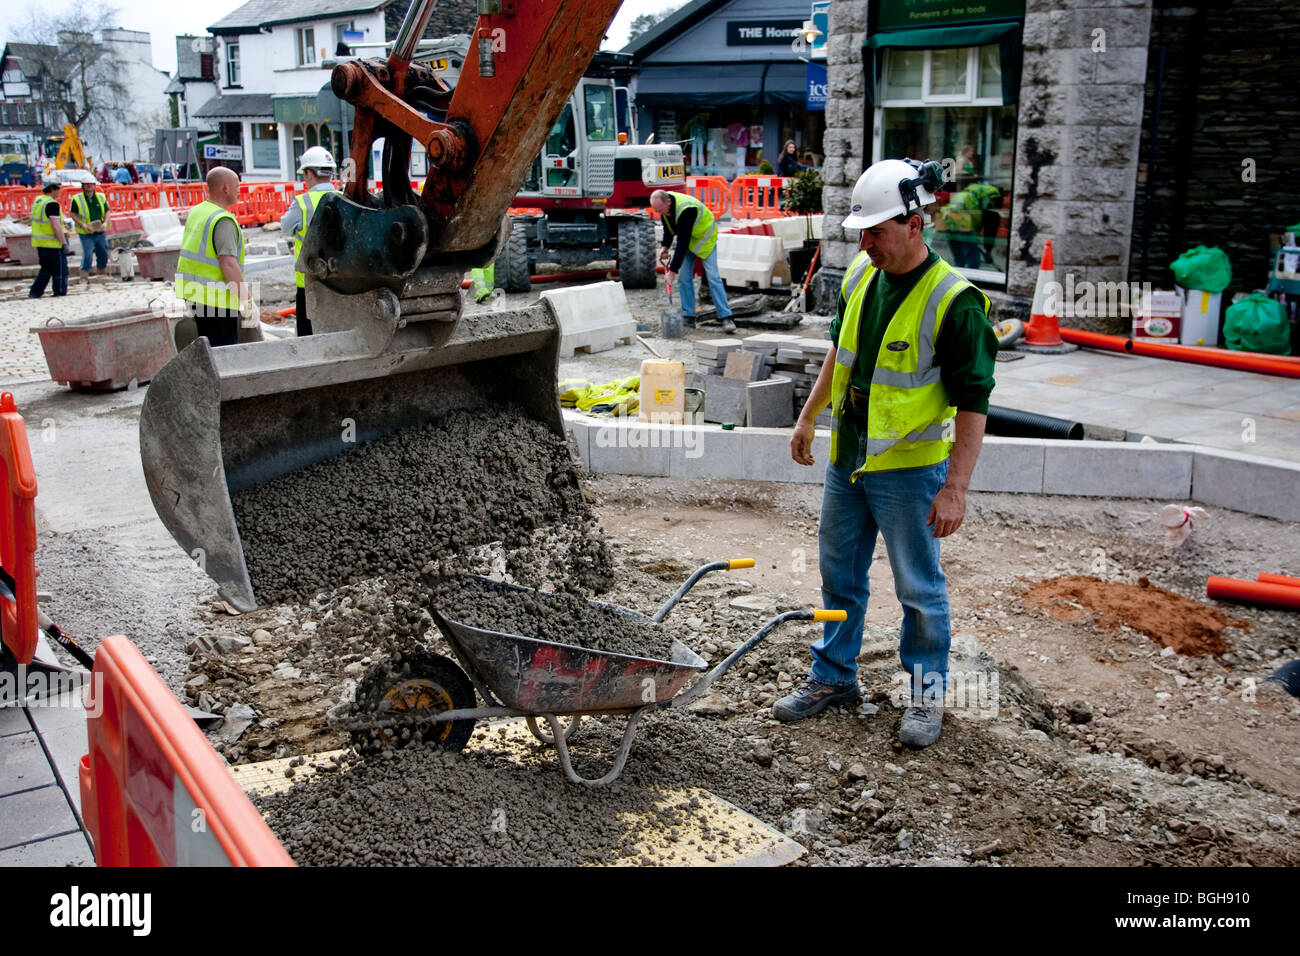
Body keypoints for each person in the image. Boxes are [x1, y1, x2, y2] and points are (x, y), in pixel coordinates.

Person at [776, 158, 998, 748]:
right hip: (849, 461)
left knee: (918, 589)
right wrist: (807, 416)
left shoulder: (955, 301)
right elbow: (838, 356)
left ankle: (925, 696)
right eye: (862, 233)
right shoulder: (857, 280)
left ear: (916, 222)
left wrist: (956, 487)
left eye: (876, 232)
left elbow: (975, 399)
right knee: (838, 576)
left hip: (909, 472)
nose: (866, 243)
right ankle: (833, 678)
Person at [175, 166, 253, 347]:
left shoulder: (198, 211)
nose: (239, 191)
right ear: (225, 188)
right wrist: (248, 302)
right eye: (236, 186)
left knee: (209, 347)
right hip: (216, 300)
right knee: (223, 352)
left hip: (195, 293)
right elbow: (228, 264)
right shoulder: (222, 220)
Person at [649, 189, 734, 334]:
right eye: (657, 211)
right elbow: (669, 229)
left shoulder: (686, 210)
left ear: (668, 202)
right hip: (689, 240)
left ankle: (726, 317)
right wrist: (665, 246)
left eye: (660, 210)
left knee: (713, 277)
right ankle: (689, 316)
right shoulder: (665, 206)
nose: (660, 213)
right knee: (684, 278)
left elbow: (682, 243)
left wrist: (672, 271)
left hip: (704, 238)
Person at [279, 145, 340, 336]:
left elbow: (285, 228)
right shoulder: (343, 198)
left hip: (308, 280)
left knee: (308, 333)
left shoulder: (302, 202)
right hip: (339, 279)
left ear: (308, 173)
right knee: (334, 330)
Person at [29, 179, 68, 298]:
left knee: (46, 269)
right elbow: (55, 226)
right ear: (52, 189)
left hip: (40, 242)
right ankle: (59, 291)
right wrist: (64, 242)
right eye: (58, 189)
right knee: (59, 270)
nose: (59, 192)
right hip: (52, 243)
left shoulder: (39, 200)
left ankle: (35, 292)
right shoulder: (52, 204)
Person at [68, 177, 110, 278]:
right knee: (88, 253)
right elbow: (72, 214)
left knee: (103, 252)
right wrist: (83, 225)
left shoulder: (100, 197)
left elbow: (107, 211)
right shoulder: (77, 199)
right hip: (86, 232)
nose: (89, 186)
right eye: (86, 184)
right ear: (83, 186)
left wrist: (105, 222)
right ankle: (84, 276)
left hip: (99, 231)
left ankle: (101, 273)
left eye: (91, 184)